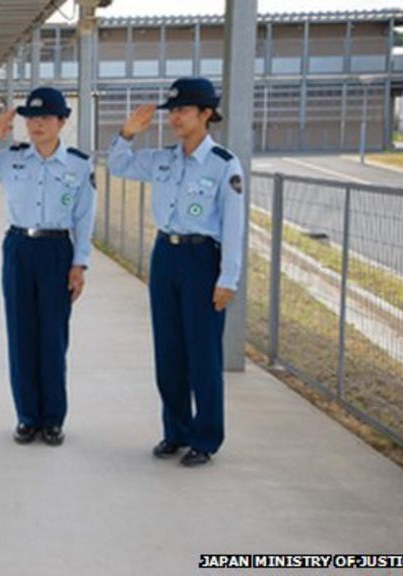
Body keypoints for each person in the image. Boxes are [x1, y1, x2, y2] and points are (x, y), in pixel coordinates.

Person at [108, 77, 245, 467]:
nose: (175, 118)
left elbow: (234, 226)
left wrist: (227, 279)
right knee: (168, 351)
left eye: (183, 110)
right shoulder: (163, 158)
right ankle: (176, 431)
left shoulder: (224, 165)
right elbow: (118, 165)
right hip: (165, 256)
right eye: (172, 111)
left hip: (202, 261)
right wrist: (127, 133)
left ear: (206, 114)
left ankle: (205, 437)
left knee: (202, 354)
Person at [0, 86, 97, 446]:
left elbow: (84, 218)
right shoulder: (11, 158)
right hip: (19, 247)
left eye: (46, 117)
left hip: (56, 251)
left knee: (53, 336)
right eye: (31, 118)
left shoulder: (78, 164)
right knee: (21, 335)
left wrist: (80, 264)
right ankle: (27, 417)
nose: (37, 124)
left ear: (62, 121)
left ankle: (52, 419)